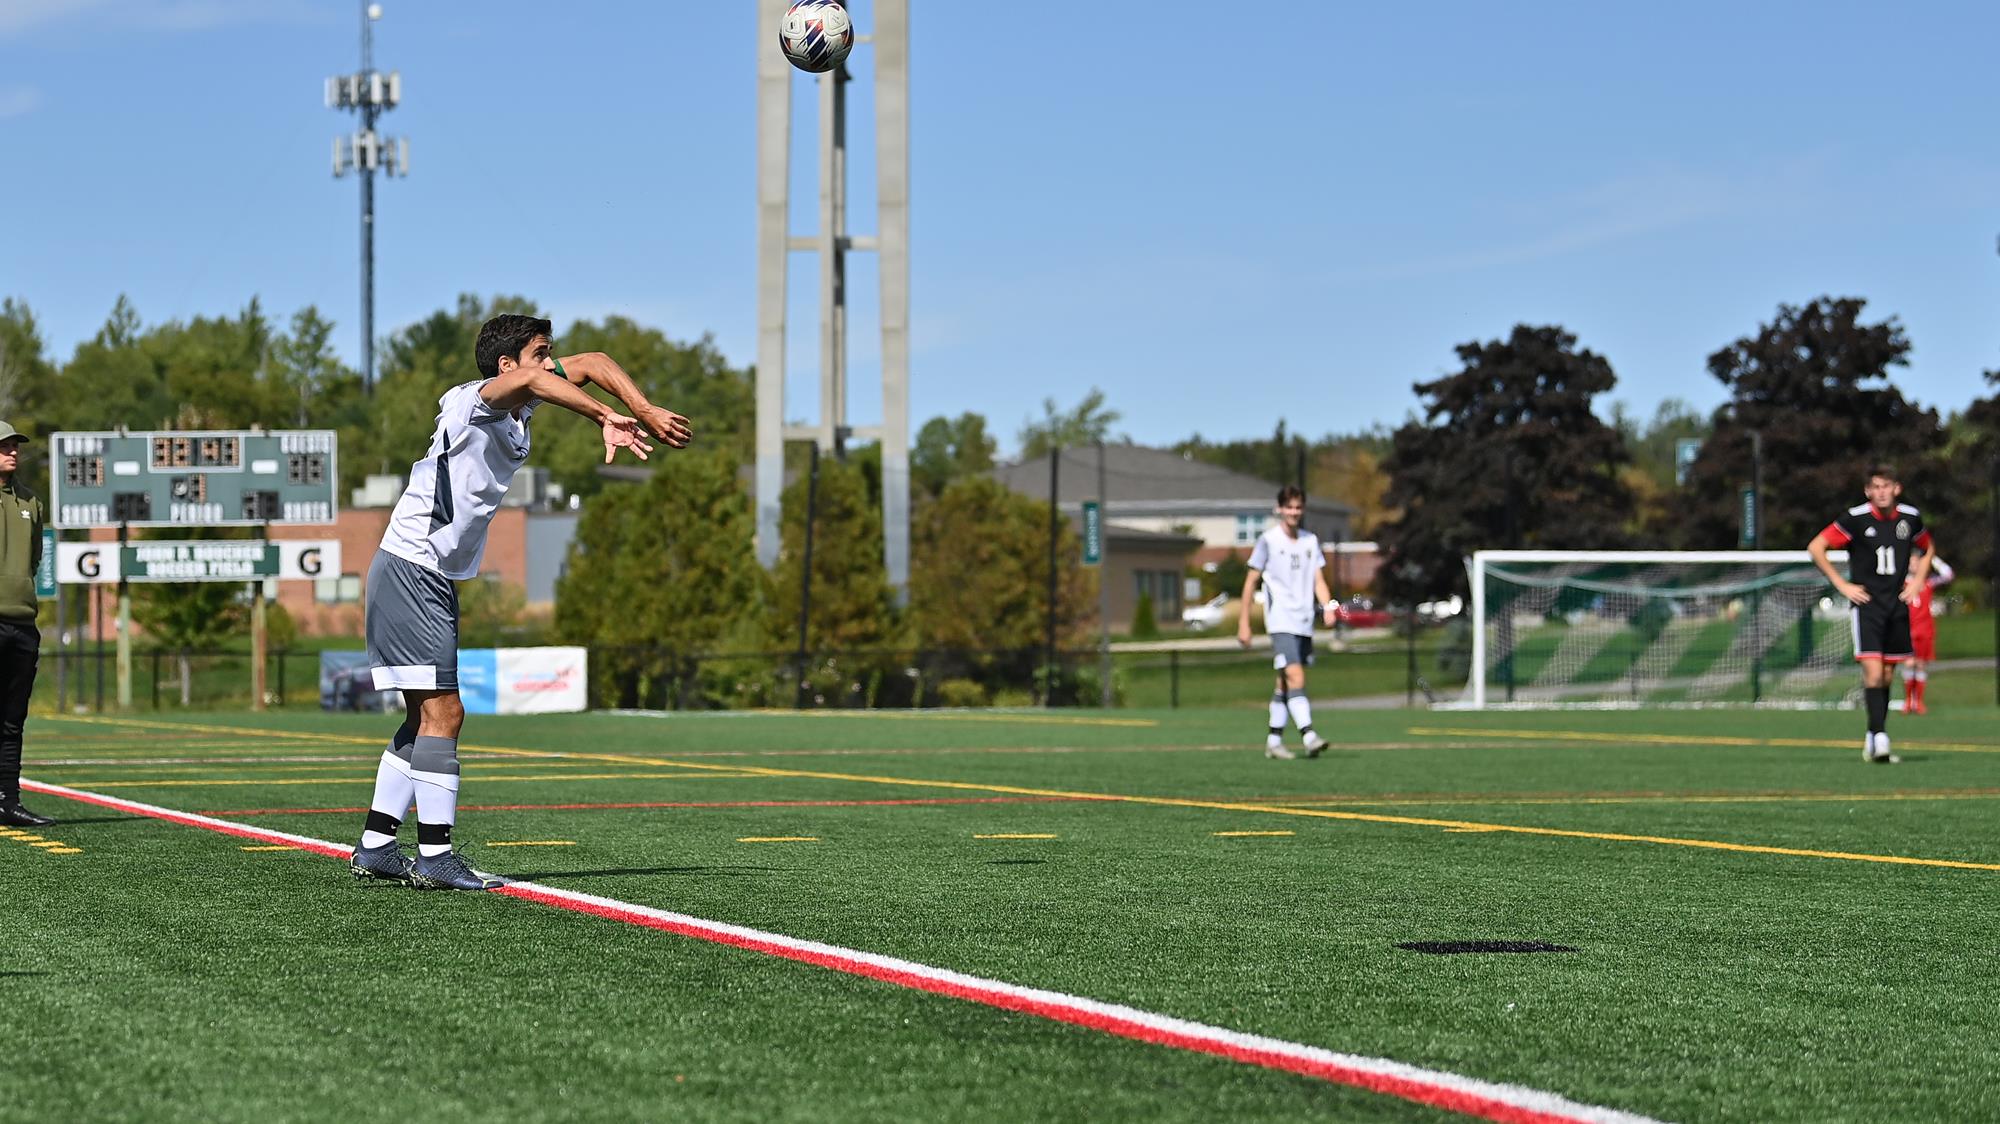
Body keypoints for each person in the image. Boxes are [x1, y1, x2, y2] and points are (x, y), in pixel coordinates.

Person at [349, 314, 690, 890]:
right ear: (507, 366)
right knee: (445, 714)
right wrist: (605, 416)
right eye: (539, 353)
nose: (551, 361)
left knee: (422, 716)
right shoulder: (475, 400)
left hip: (426, 572)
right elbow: (538, 384)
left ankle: (378, 845)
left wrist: (645, 407)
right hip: (413, 567)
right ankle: (434, 858)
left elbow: (596, 363)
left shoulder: (519, 400)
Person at [1806, 465, 1934, 764]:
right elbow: (1817, 546)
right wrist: (1841, 584)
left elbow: (1927, 548)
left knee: (1887, 675)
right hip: (1867, 606)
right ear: (1868, 491)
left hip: (1897, 605)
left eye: (1886, 486)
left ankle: (1873, 733)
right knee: (1873, 672)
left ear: (1896, 488)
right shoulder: (1855, 518)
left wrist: (1917, 582)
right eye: (1875, 487)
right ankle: (1880, 738)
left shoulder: (1910, 518)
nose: (1881, 492)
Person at [1236, 485, 1338, 760]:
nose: (1293, 512)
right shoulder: (1268, 540)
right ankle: (1309, 735)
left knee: (1284, 682)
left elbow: (1318, 580)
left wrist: (1328, 607)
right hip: (1281, 621)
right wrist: (1243, 622)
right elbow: (1250, 582)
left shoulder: (1310, 541)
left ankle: (1273, 741)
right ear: (1279, 509)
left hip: (1303, 621)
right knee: (1296, 676)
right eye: (1289, 506)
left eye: (1298, 507)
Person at [0, 421, 52, 827]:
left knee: (12, 720)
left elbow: (35, 559)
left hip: (21, 624)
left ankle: (8, 802)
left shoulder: (31, 503)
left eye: (15, 445)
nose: (13, 451)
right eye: (4, 445)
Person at [1902, 556, 1954, 714]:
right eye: (1911, 562)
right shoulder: (1902, 583)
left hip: (1925, 629)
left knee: (1921, 664)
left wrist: (1932, 559)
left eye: (1917, 563)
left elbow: (1948, 575)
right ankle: (1908, 700)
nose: (1914, 566)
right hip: (1908, 629)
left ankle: (1918, 701)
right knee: (1909, 663)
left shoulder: (1928, 582)